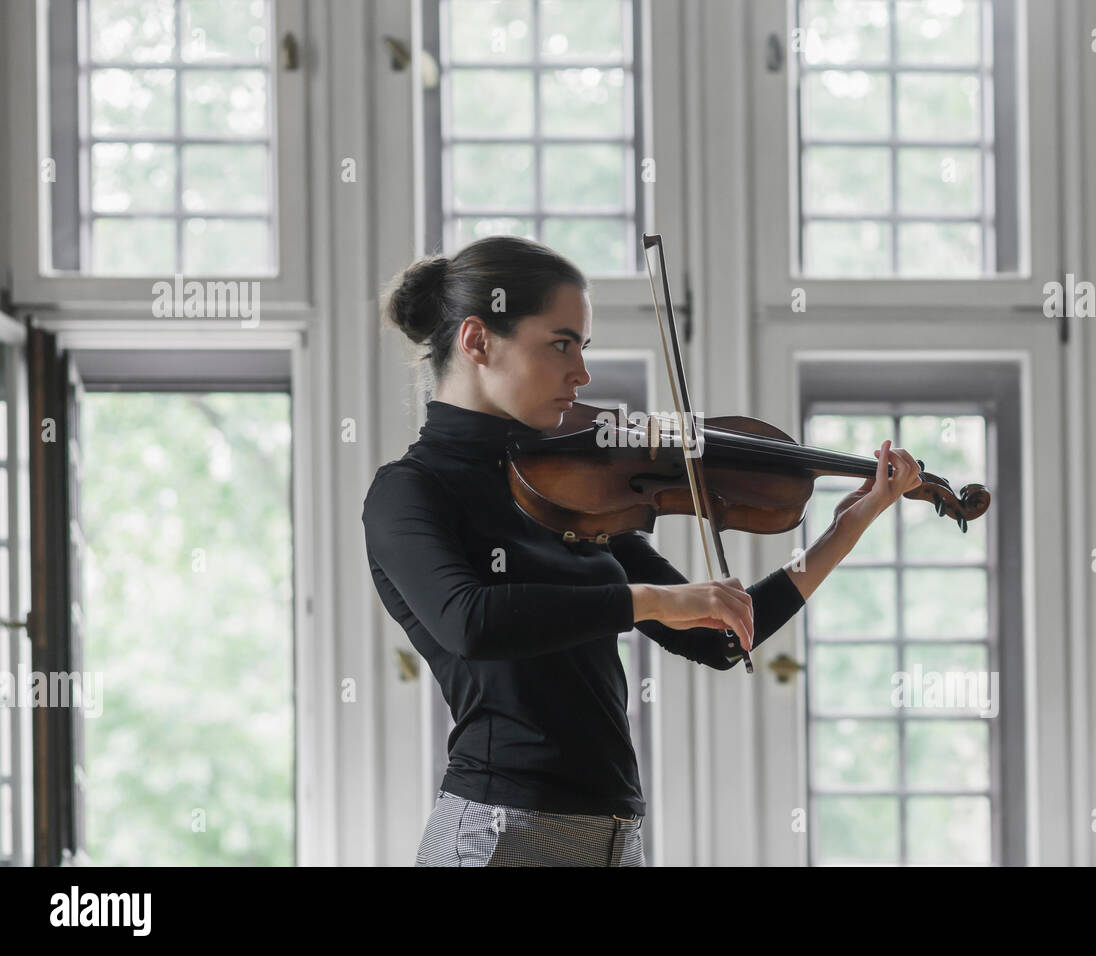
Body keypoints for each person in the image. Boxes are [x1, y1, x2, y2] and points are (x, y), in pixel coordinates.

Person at [362, 235, 922, 866]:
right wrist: (652, 600)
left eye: (584, 346)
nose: (582, 373)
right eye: (561, 344)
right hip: (496, 830)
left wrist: (846, 527)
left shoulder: (569, 487)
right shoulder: (411, 492)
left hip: (613, 833)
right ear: (477, 340)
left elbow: (719, 636)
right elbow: (471, 622)